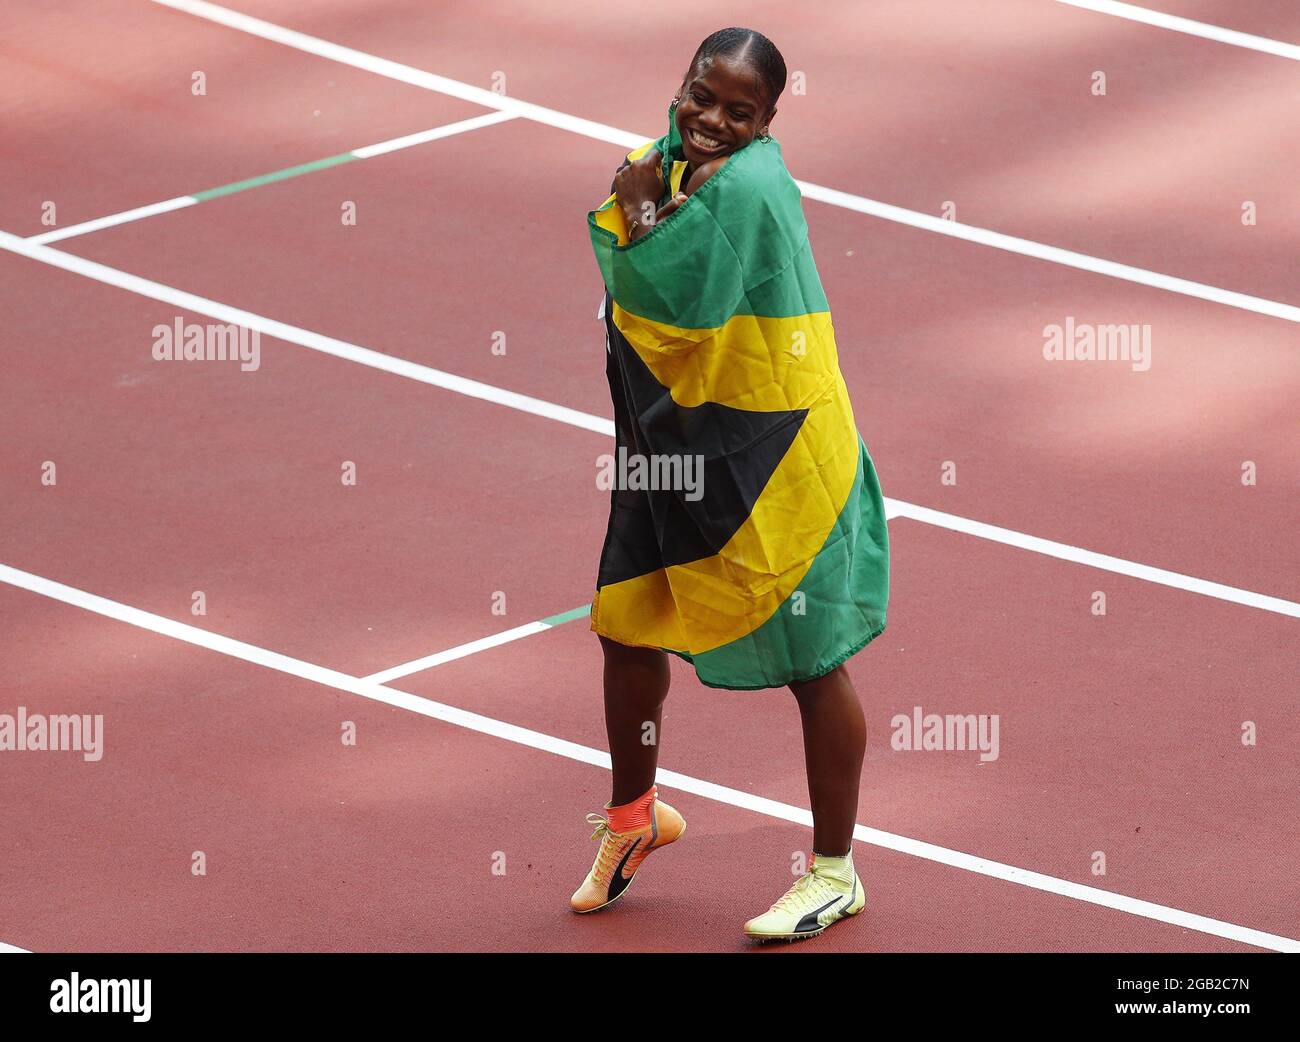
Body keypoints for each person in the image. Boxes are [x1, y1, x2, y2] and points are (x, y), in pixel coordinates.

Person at [574, 27, 891, 942]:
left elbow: (671, 299)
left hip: (773, 456)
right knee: (626, 628)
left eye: (738, 111)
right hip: (670, 445)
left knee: (812, 660)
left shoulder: (752, 189)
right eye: (700, 96)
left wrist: (638, 220)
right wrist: (640, 212)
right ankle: (636, 822)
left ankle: (834, 873)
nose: (711, 120)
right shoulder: (659, 159)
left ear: (770, 120)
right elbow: (638, 284)